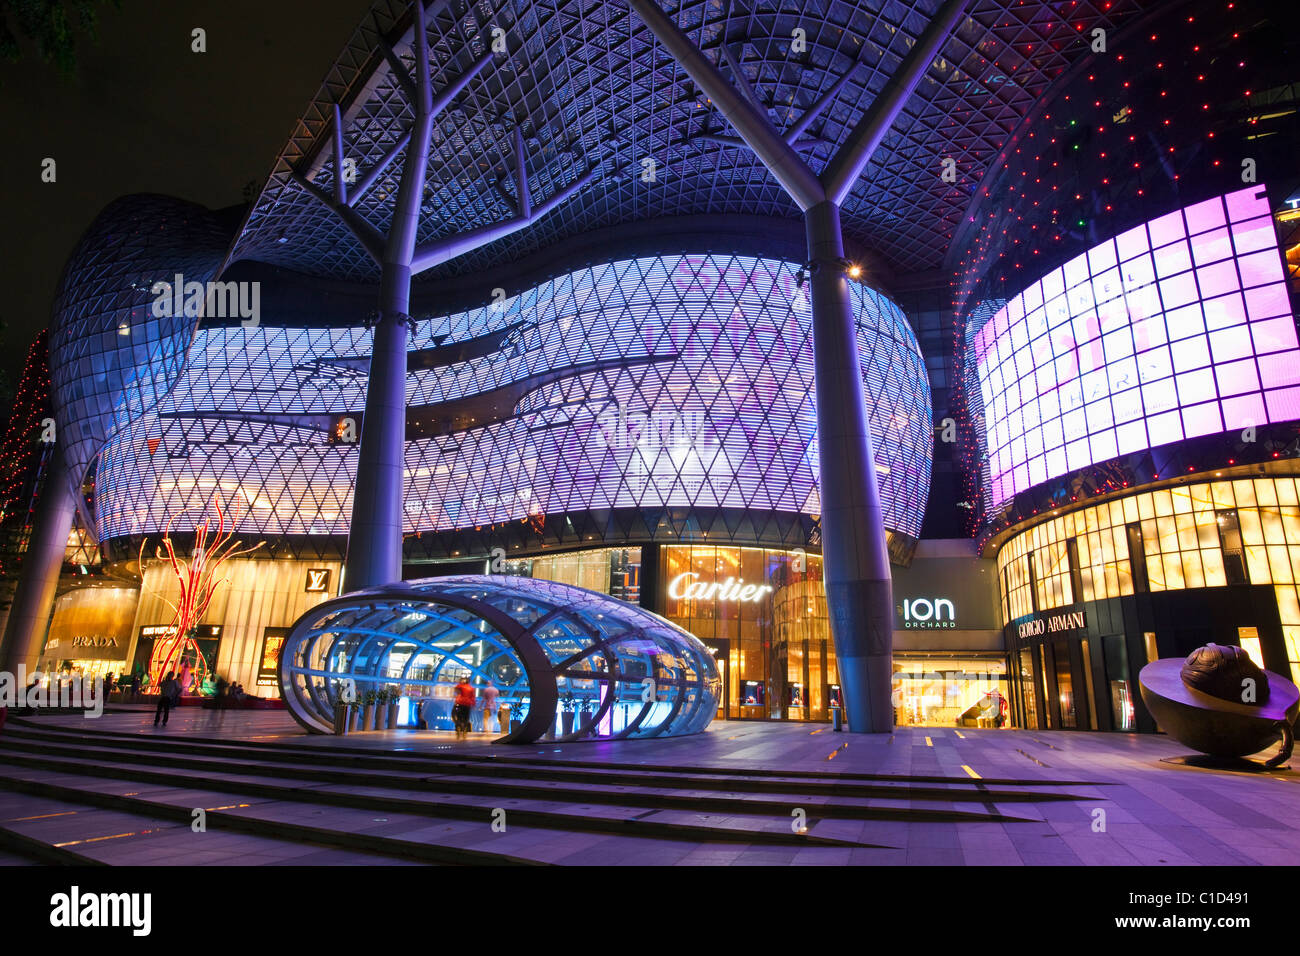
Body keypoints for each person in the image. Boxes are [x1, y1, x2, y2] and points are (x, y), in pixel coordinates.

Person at [452, 676, 476, 740]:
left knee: (458, 717)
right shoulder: (471, 688)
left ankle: (458, 728)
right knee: (466, 718)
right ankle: (465, 730)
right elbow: (473, 697)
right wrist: (473, 704)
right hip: (467, 705)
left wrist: (460, 682)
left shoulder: (461, 686)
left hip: (460, 703)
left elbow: (456, 688)